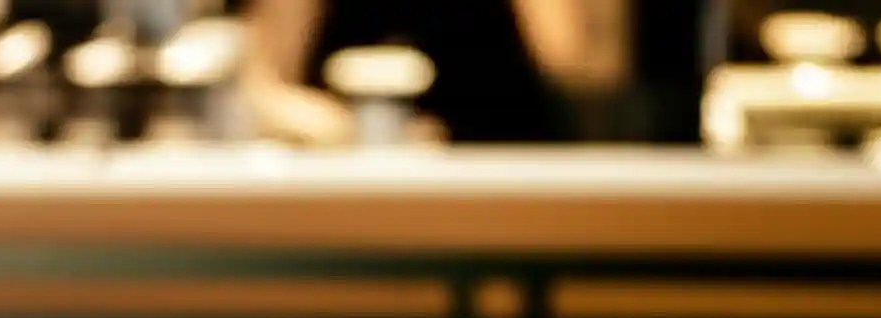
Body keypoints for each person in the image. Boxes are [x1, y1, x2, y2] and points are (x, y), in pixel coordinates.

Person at [238, 0, 627, 144]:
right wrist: (346, 132)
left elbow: (576, 61)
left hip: (504, 185)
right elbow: (261, 86)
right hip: (359, 197)